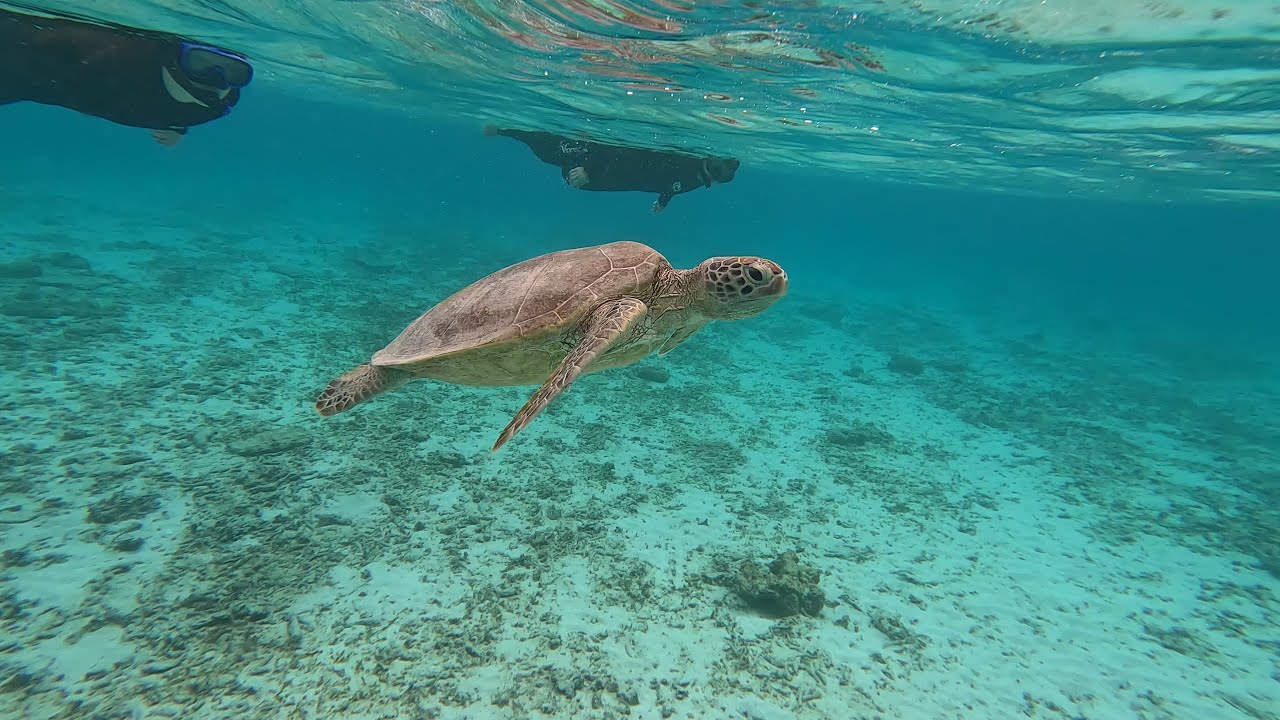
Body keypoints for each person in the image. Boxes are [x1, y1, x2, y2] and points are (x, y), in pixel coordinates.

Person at [0, 6, 253, 147]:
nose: (217, 78)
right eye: (200, 62)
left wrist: (176, 125)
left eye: (235, 72)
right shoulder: (123, 52)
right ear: (174, 57)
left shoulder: (215, 108)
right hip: (23, 63)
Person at [485, 126, 740, 214]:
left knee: (557, 159)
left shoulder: (694, 178)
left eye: (720, 171)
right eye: (719, 167)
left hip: (608, 178)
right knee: (549, 151)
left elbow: (670, 186)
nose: (716, 169)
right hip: (603, 163)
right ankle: (503, 130)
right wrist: (590, 168)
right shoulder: (685, 160)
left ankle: (507, 131)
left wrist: (663, 202)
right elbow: (627, 153)